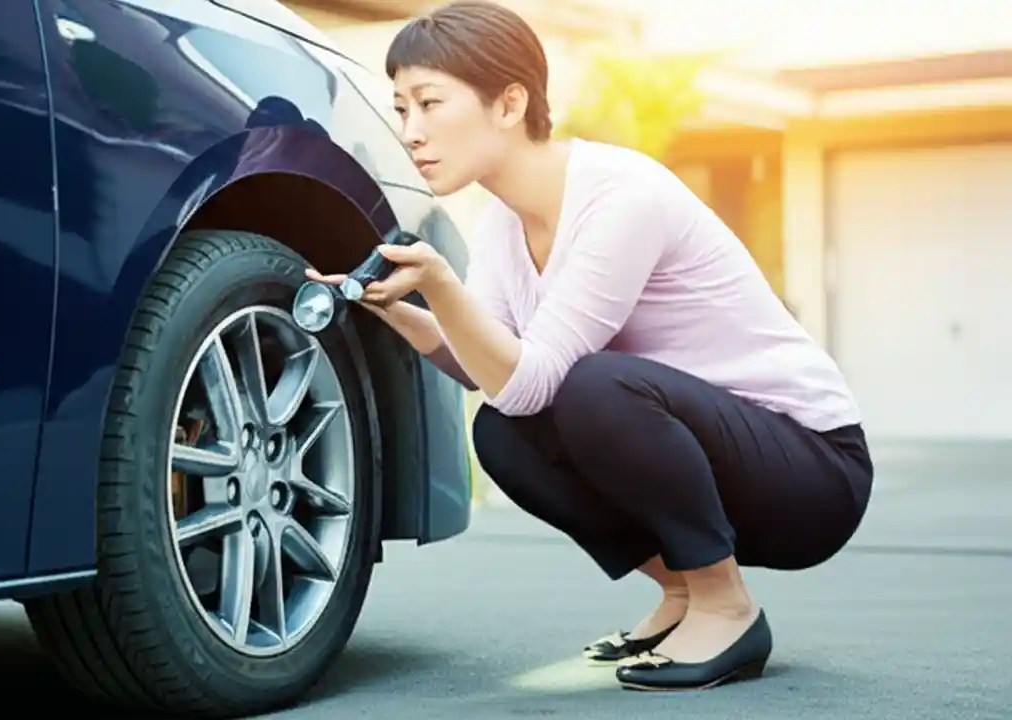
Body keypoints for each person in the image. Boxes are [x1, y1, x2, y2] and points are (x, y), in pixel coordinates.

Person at [305, 0, 873, 692]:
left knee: (594, 386)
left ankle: (728, 607)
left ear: (509, 103)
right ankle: (683, 592)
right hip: (716, 464)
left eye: (429, 103)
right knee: (502, 434)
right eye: (401, 110)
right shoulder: (505, 227)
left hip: (812, 470)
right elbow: (491, 370)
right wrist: (397, 310)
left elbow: (535, 378)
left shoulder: (620, 199)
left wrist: (444, 287)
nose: (411, 133)